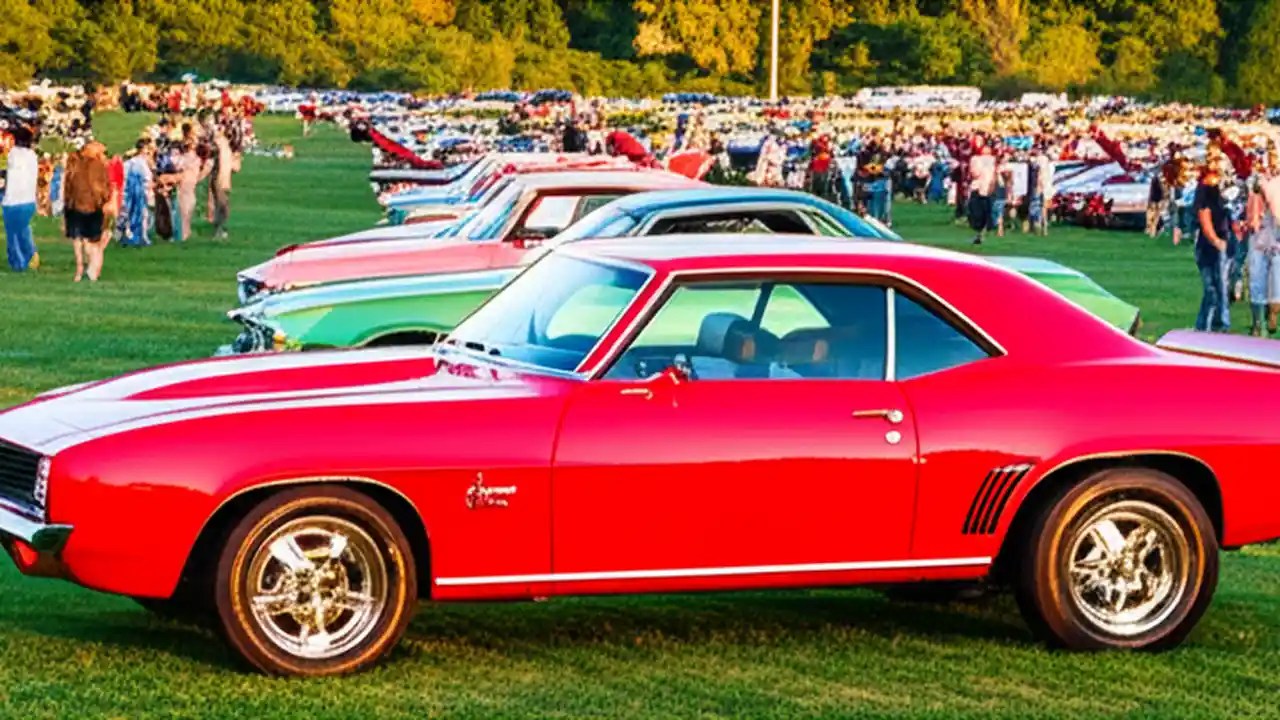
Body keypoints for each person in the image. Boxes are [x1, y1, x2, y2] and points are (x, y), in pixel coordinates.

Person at [63, 139, 112, 282]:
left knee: (82, 240)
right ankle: (90, 269)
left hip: (80, 205)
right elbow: (104, 187)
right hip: (88, 205)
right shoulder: (97, 165)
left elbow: (69, 184)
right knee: (90, 241)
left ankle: (85, 269)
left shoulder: (77, 163)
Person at [1194, 164, 1231, 332]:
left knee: (1218, 289)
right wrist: (1216, 241)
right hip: (1208, 248)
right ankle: (1208, 326)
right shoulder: (1204, 191)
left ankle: (1210, 325)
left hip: (1220, 243)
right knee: (1213, 289)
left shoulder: (1217, 190)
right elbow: (1204, 217)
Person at [2, 124, 38, 271]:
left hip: (12, 200)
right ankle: (30, 254)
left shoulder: (12, 155)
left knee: (13, 234)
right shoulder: (32, 156)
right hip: (29, 200)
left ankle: (18, 262)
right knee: (23, 229)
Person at [968, 143, 996, 245]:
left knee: (985, 213)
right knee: (977, 213)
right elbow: (975, 173)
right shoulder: (976, 159)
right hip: (978, 187)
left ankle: (982, 234)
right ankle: (979, 234)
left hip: (987, 189)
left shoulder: (993, 160)